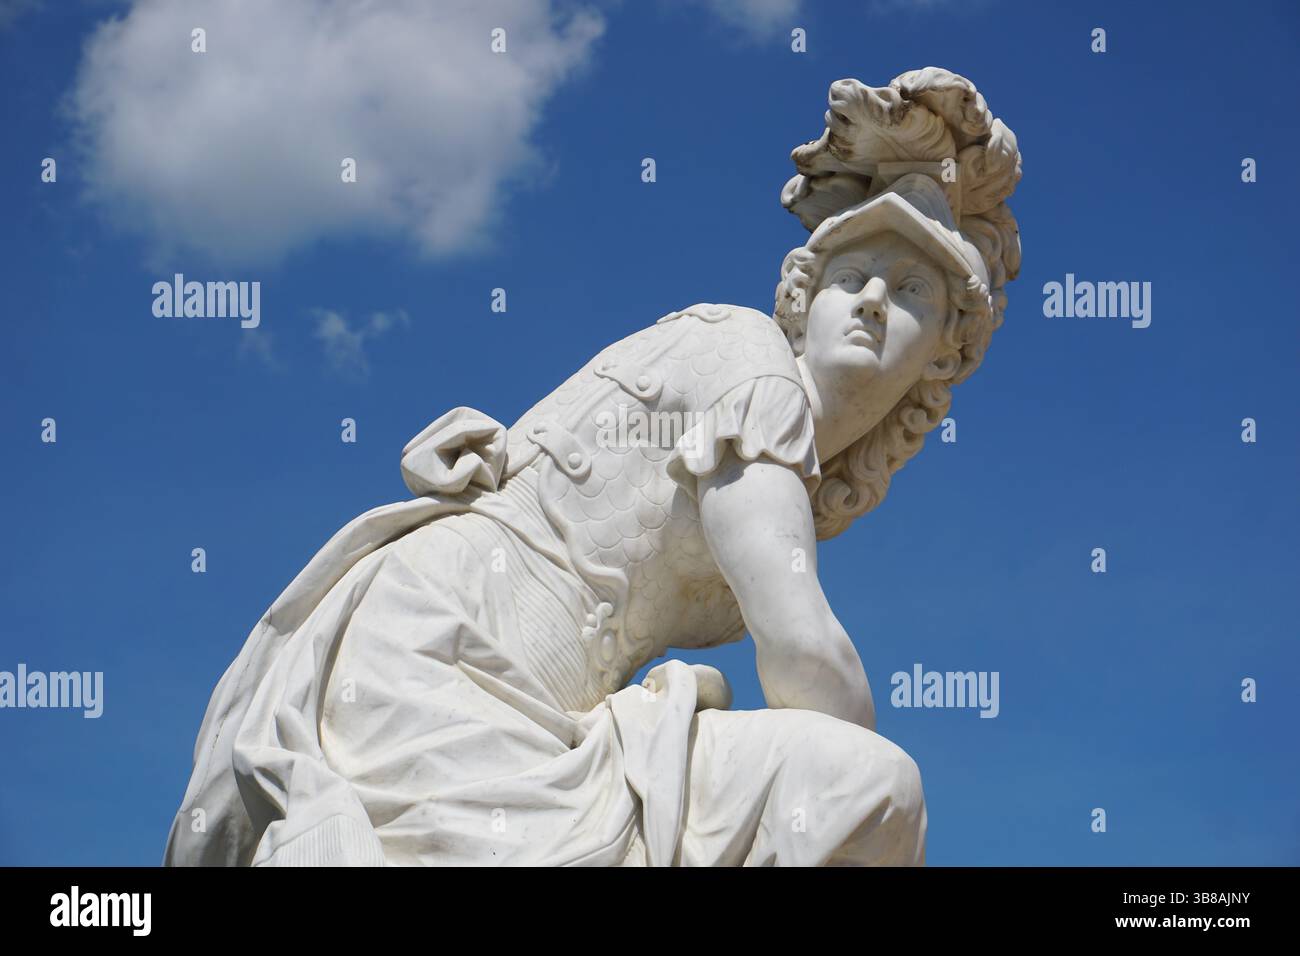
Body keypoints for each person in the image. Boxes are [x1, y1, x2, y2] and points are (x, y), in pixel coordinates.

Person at [164, 68, 1021, 867]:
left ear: (947, 352)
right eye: (853, 277)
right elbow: (802, 651)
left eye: (910, 289)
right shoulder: (749, 364)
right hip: (433, 675)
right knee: (868, 784)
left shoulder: (794, 470)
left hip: (531, 710)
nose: (872, 299)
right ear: (800, 298)